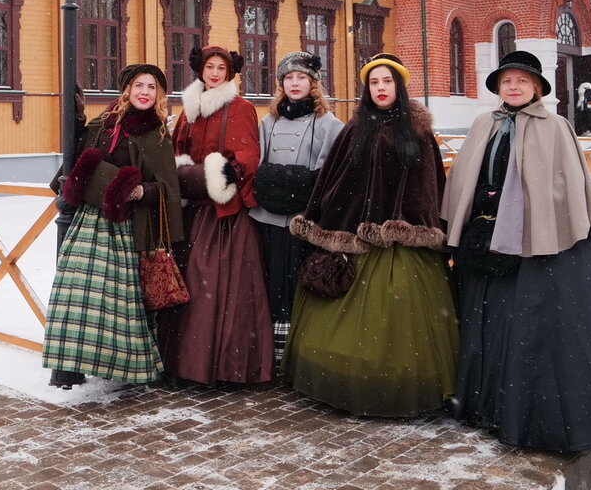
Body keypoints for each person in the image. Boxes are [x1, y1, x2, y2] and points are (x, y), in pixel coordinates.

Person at [442, 50, 591, 451]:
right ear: (499, 88)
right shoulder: (485, 124)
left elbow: (568, 185)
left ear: (536, 87)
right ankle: (487, 406)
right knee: (488, 325)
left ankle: (542, 416)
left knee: (534, 329)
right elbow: (466, 179)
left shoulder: (555, 126)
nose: (513, 87)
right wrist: (483, 200)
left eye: (521, 81)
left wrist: (534, 214)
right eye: (506, 81)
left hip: (541, 242)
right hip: (486, 240)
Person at [284, 53, 457, 417]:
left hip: (402, 242)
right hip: (353, 235)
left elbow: (427, 187)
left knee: (399, 320)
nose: (380, 88)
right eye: (374, 82)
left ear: (400, 85)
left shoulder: (419, 131)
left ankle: (396, 386)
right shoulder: (355, 128)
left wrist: (408, 224)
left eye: (387, 81)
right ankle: (343, 381)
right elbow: (335, 180)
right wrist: (322, 220)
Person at [42, 64, 183, 387]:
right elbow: (77, 152)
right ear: (127, 90)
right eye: (139, 86)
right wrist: (76, 118)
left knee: (118, 303)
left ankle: (124, 368)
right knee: (76, 296)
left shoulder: (157, 134)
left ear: (158, 95)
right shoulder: (105, 124)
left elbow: (166, 188)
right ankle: (71, 363)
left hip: (126, 228)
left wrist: (139, 190)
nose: (145, 92)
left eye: (151, 87)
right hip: (90, 222)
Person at [159, 45, 273, 385]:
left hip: (225, 216)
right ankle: (184, 364)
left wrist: (223, 173)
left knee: (224, 287)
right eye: (209, 66)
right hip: (193, 209)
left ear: (229, 72)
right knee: (189, 283)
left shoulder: (241, 108)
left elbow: (249, 155)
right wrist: (184, 176)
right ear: (200, 70)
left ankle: (225, 366)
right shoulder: (188, 109)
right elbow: (176, 149)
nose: (214, 73)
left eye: (220, 68)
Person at [250, 51, 343, 366]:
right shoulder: (267, 122)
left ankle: (301, 350)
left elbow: (328, 174)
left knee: (299, 283)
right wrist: (271, 185)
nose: (294, 83)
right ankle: (273, 348)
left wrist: (296, 186)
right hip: (268, 218)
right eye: (289, 78)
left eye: (301, 77)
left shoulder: (329, 124)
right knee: (271, 281)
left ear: (313, 83)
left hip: (304, 220)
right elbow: (258, 166)